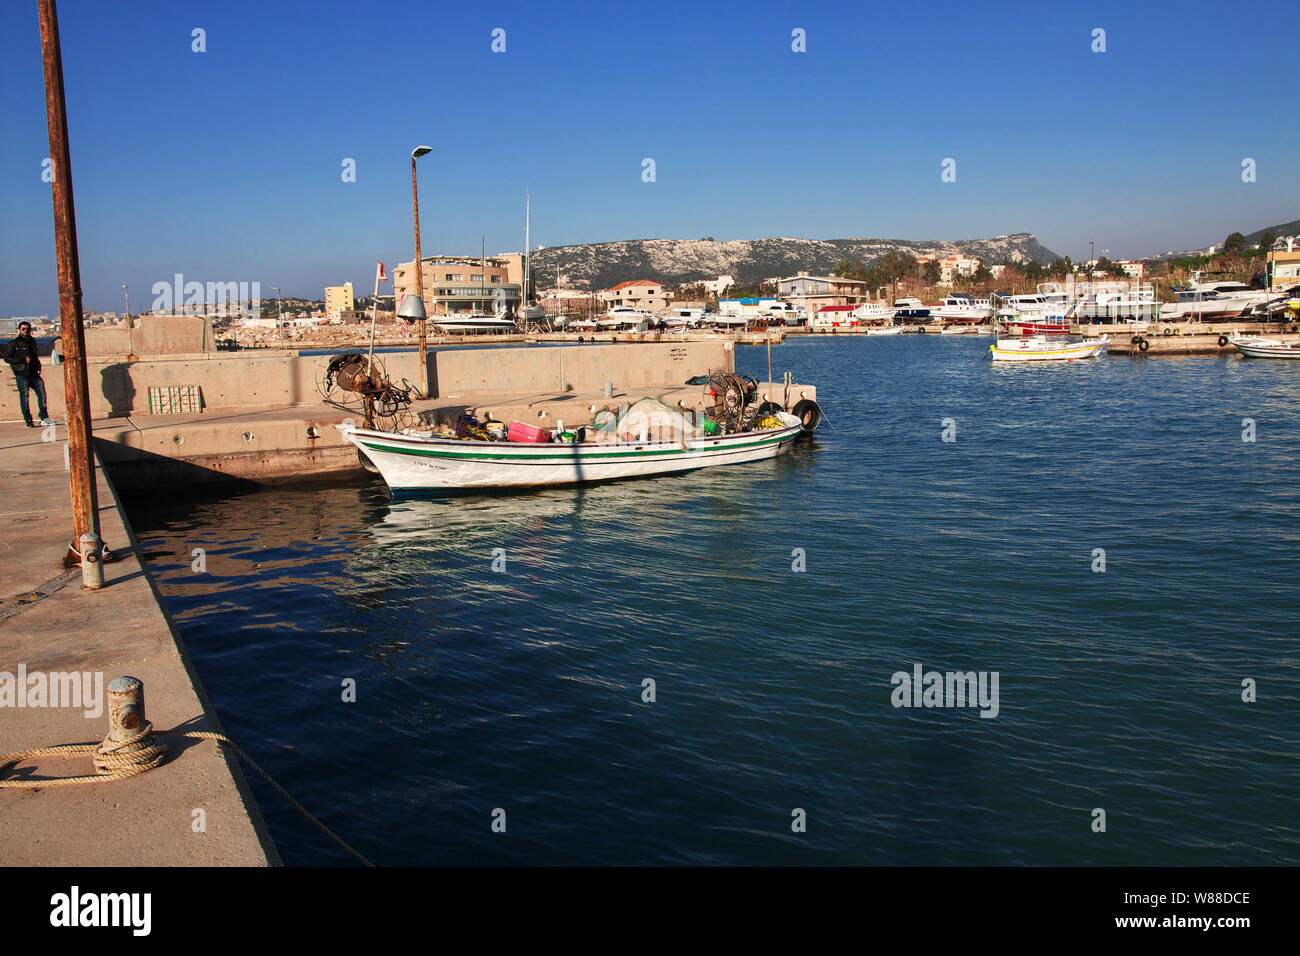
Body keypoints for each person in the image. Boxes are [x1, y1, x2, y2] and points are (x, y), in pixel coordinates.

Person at [4, 321, 51, 428]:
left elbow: (35, 356)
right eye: (23, 329)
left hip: (34, 373)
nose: (25, 331)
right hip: (22, 374)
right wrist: (22, 360)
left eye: (27, 329)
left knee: (42, 394)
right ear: (19, 330)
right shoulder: (14, 343)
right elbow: (7, 358)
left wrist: (38, 366)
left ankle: (44, 417)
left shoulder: (32, 341)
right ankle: (28, 420)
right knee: (25, 398)